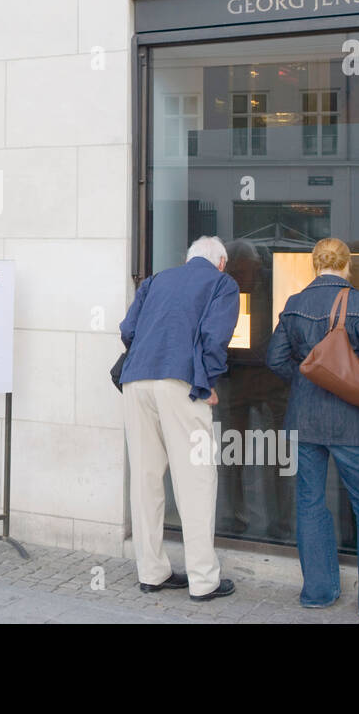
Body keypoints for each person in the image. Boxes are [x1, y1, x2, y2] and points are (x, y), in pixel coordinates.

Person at [266, 237, 359, 621]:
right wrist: (357, 382)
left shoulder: (294, 304)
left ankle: (318, 592)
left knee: (310, 502)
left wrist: (306, 381)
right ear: (347, 265)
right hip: (350, 419)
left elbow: (275, 359)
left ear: (315, 265)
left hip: (305, 417)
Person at [118, 235, 240, 601]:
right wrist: (208, 382)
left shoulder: (155, 280)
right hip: (180, 382)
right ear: (220, 261)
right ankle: (204, 580)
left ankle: (152, 572)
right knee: (196, 479)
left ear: (189, 259)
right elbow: (214, 338)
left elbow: (128, 331)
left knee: (145, 478)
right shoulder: (223, 283)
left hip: (136, 381)